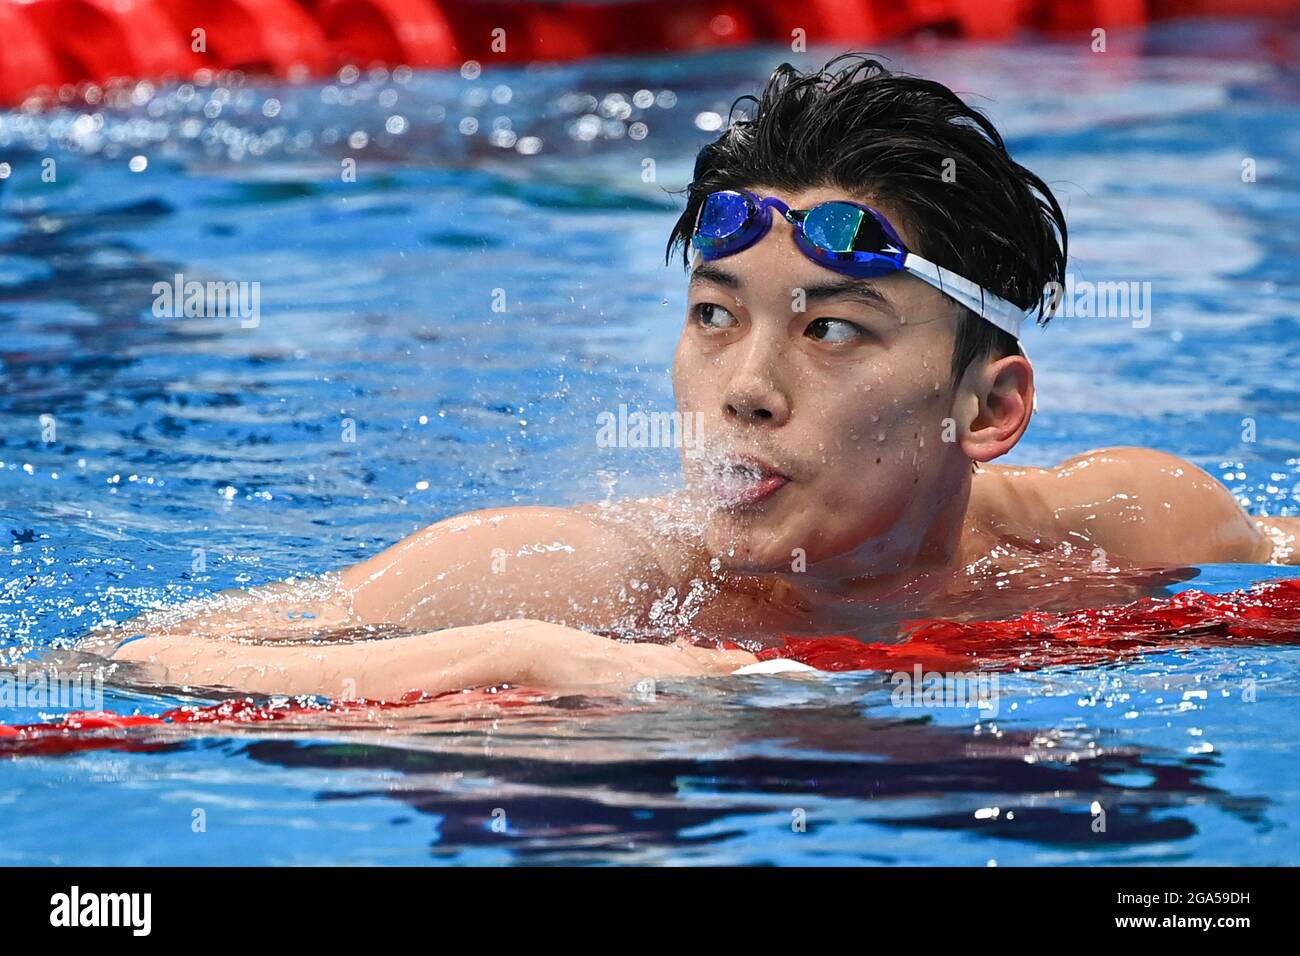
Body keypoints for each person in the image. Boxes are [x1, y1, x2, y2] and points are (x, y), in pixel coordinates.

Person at [83, 55, 1300, 701]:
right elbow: (104, 661)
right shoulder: (558, 577)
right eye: (714, 316)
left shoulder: (1138, 525)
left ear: (986, 409)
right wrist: (500, 654)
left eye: (832, 331)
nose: (746, 388)